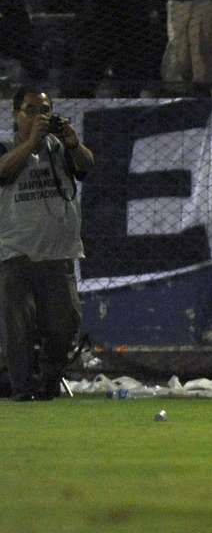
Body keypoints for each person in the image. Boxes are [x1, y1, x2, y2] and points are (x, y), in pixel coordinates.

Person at [0, 88, 94, 401]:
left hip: (58, 252)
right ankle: (23, 389)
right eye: (31, 110)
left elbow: (86, 165)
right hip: (15, 251)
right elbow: (3, 172)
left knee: (65, 324)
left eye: (45, 109)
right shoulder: (5, 143)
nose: (39, 115)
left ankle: (49, 379)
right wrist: (31, 144)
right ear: (16, 114)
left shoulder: (58, 146)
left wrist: (73, 142)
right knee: (19, 328)